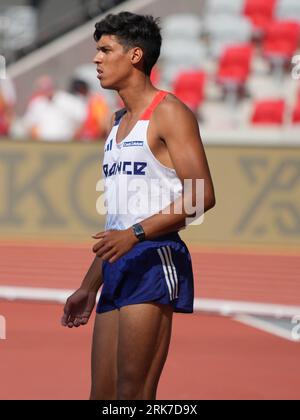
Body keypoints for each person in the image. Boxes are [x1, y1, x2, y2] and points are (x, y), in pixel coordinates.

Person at [61, 11, 216, 400]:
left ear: (134, 56)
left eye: (105, 49)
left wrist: (135, 234)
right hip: (118, 264)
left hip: (154, 256)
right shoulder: (116, 123)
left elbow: (201, 196)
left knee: (134, 393)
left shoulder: (169, 112)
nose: (96, 59)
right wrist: (88, 286)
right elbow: (119, 222)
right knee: (103, 395)